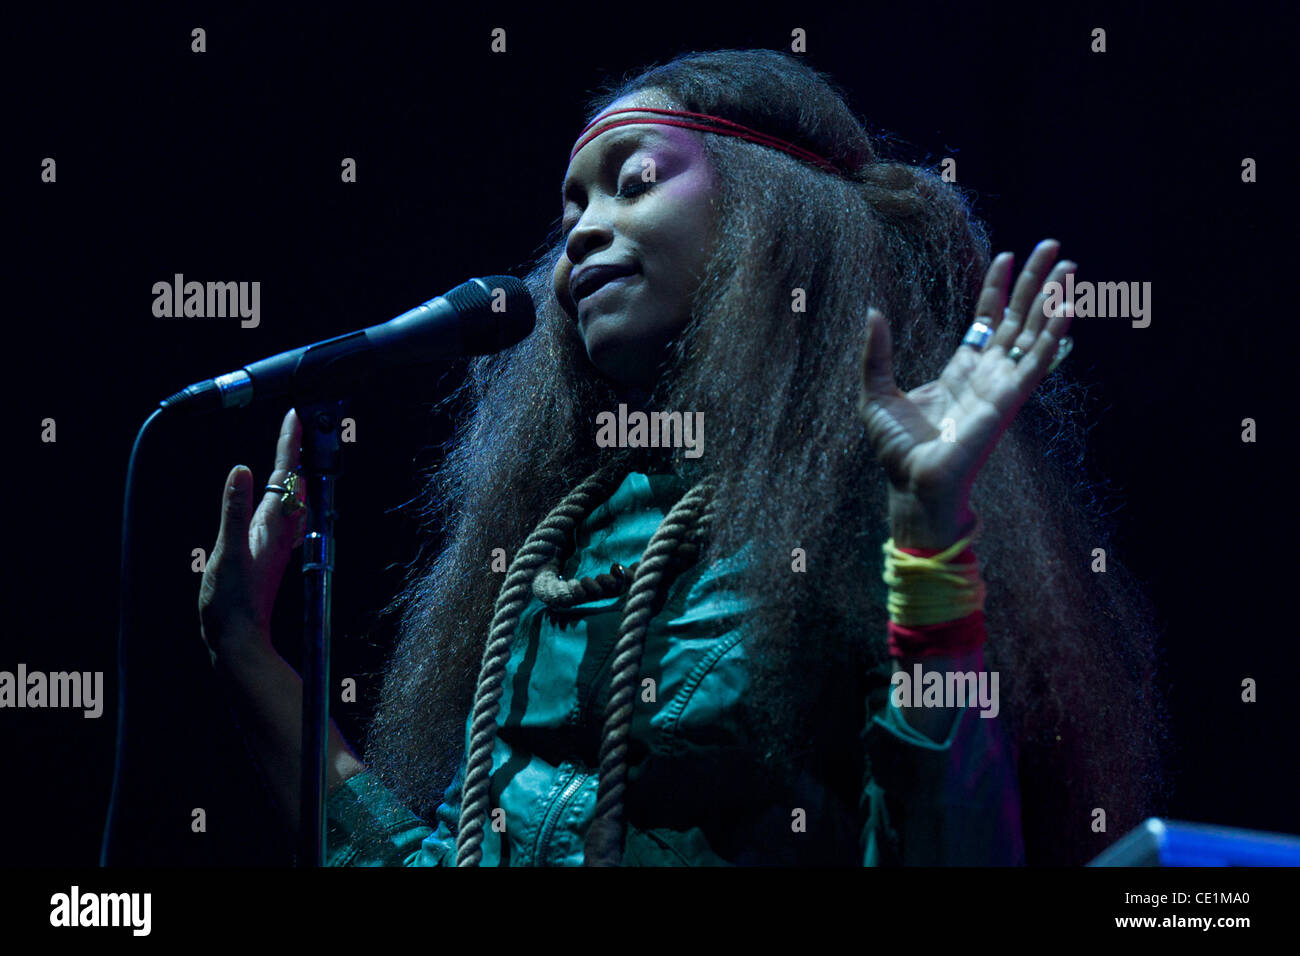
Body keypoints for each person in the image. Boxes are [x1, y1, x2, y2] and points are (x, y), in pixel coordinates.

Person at [198, 49, 1166, 866]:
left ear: (769, 215)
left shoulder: (849, 516)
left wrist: (927, 530)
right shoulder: (556, 548)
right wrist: (247, 647)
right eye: (573, 203)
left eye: (633, 181)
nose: (580, 231)